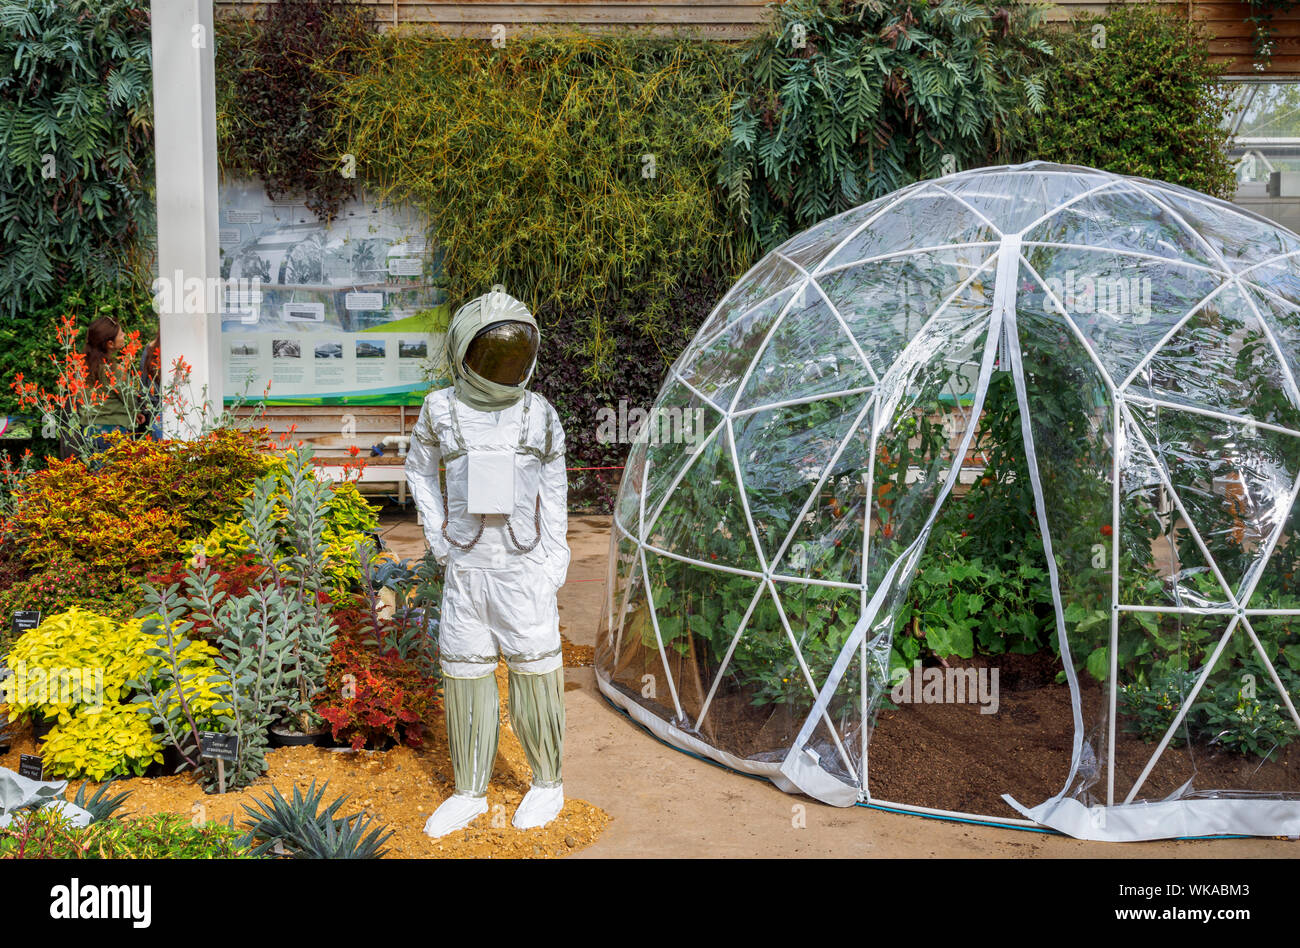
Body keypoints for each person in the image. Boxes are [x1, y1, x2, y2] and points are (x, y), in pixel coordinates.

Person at [405, 288, 570, 837]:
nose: (506, 364)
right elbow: (420, 472)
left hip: (523, 570)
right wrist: (436, 536)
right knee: (466, 672)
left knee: (534, 669)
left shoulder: (539, 412)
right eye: (493, 353)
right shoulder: (439, 408)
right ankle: (469, 789)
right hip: (466, 570)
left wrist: (554, 558)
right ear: (464, 351)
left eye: (515, 353)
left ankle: (548, 783)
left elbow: (556, 486)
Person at [82, 316, 135, 453]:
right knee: (118, 473)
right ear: (110, 344)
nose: (124, 336)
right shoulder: (114, 370)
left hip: (89, 429)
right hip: (114, 431)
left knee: (98, 472)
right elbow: (129, 399)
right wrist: (138, 413)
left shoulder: (83, 367)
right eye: (121, 334)